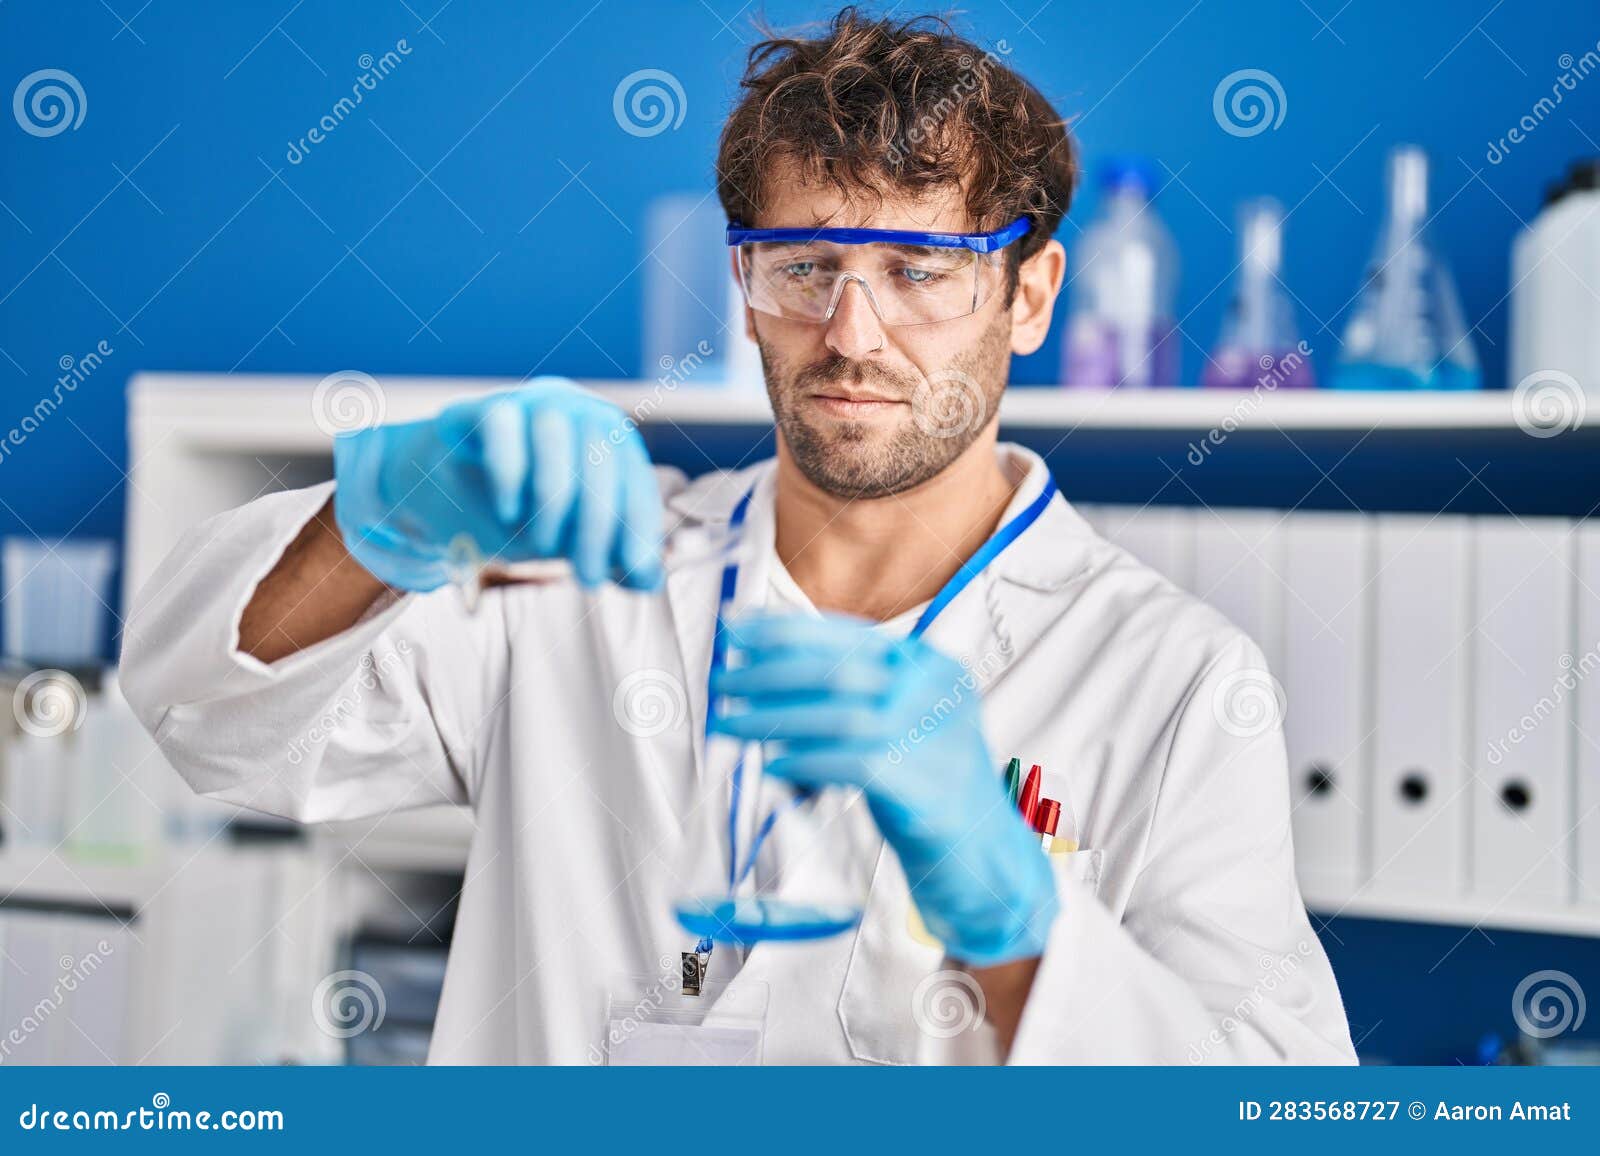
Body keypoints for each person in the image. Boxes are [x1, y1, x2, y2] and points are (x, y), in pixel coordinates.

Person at [120, 8, 1356, 1065]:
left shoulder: (1175, 678)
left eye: (923, 271)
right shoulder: (573, 580)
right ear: (747, 290)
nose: (852, 332)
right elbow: (207, 720)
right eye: (802, 264)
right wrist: (392, 512)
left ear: (1027, 297)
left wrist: (1016, 918)